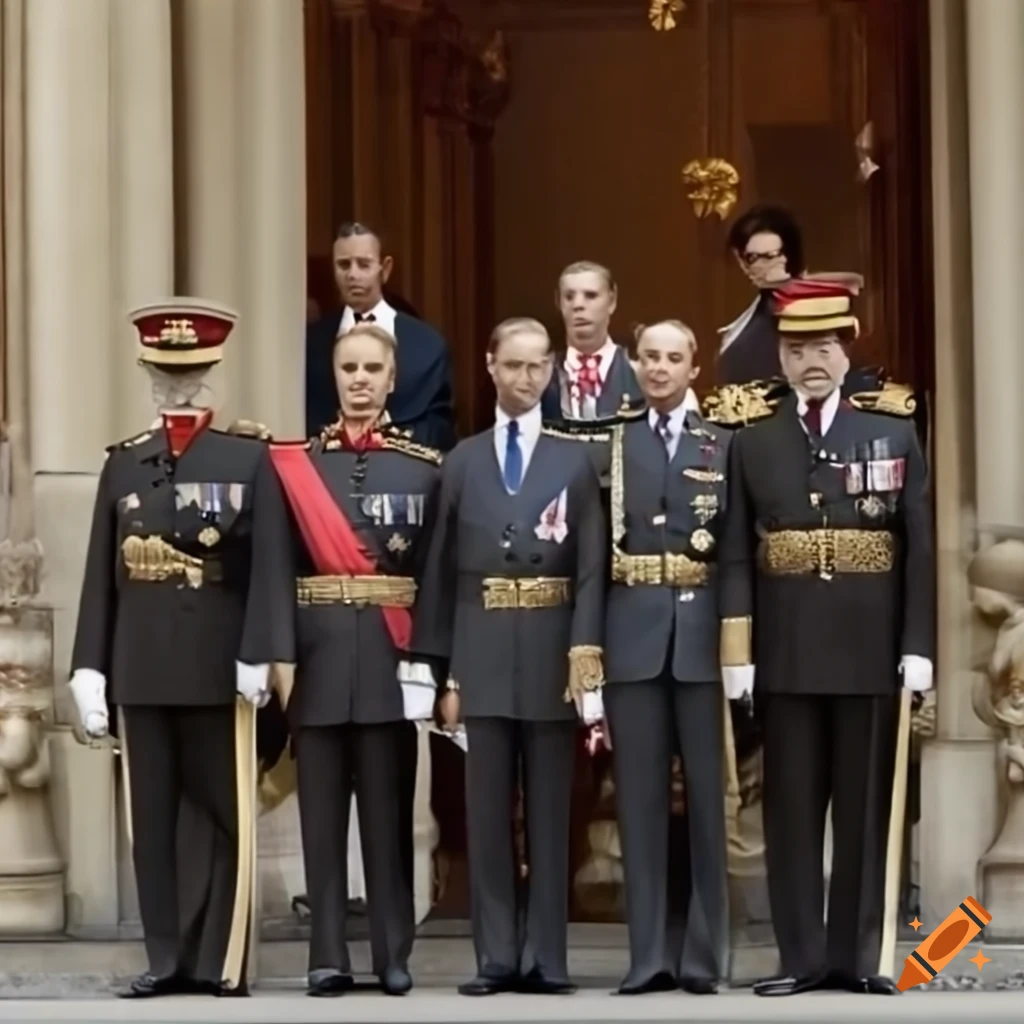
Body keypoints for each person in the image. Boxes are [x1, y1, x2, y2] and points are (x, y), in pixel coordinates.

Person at [717, 281, 934, 996]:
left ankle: (860, 956)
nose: (811, 361)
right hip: (785, 646)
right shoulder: (755, 438)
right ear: (779, 358)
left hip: (870, 644)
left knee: (867, 810)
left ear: (847, 350)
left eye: (823, 347)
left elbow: (919, 546)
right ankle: (801, 956)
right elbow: (738, 553)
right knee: (792, 808)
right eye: (796, 348)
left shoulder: (893, 427)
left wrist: (918, 643)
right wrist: (738, 651)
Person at [67, 299, 275, 998]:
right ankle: (165, 957)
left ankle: (222, 959)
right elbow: (103, 572)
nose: (176, 386)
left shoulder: (248, 460)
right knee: (150, 819)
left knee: (224, 812)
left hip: (219, 661)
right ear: (148, 374)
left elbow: (268, 567)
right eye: (164, 371)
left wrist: (261, 650)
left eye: (189, 372)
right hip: (141, 661)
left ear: (212, 370)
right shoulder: (123, 464)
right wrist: (88, 668)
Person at [239, 323, 442, 997]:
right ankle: (326, 954)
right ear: (335, 377)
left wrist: (431, 664)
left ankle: (393, 954)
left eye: (371, 369)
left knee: (389, 820)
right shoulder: (299, 466)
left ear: (391, 381)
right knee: (321, 823)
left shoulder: (423, 469)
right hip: (318, 661)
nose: (359, 380)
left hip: (391, 660)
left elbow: (436, 577)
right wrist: (270, 654)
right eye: (348, 368)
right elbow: (272, 566)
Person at [412, 317, 606, 996]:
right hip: (485, 652)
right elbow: (441, 575)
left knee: (553, 814)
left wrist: (587, 665)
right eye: (514, 365)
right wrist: (437, 670)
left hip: (553, 652)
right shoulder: (461, 461)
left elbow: (590, 569)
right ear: (490, 367)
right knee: (487, 813)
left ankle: (547, 956)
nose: (526, 378)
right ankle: (495, 955)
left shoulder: (574, 460)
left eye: (539, 366)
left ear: (552, 372)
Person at [590, 320, 730, 995]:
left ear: (693, 368)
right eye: (649, 357)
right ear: (635, 365)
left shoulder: (723, 444)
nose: (659, 369)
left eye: (673, 358)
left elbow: (733, 554)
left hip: (703, 637)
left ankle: (704, 956)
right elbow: (593, 558)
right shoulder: (613, 445)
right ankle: (647, 955)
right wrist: (588, 650)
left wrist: (741, 647)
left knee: (708, 801)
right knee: (637, 804)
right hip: (633, 635)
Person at [305, 222, 456, 450]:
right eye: (343, 265)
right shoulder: (311, 343)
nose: (352, 274)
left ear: (384, 269)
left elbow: (441, 427)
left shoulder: (428, 345)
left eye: (364, 265)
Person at [541, 260, 643, 425]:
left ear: (612, 300)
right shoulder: (542, 374)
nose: (578, 305)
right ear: (558, 303)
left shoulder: (641, 372)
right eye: (569, 297)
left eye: (590, 295)